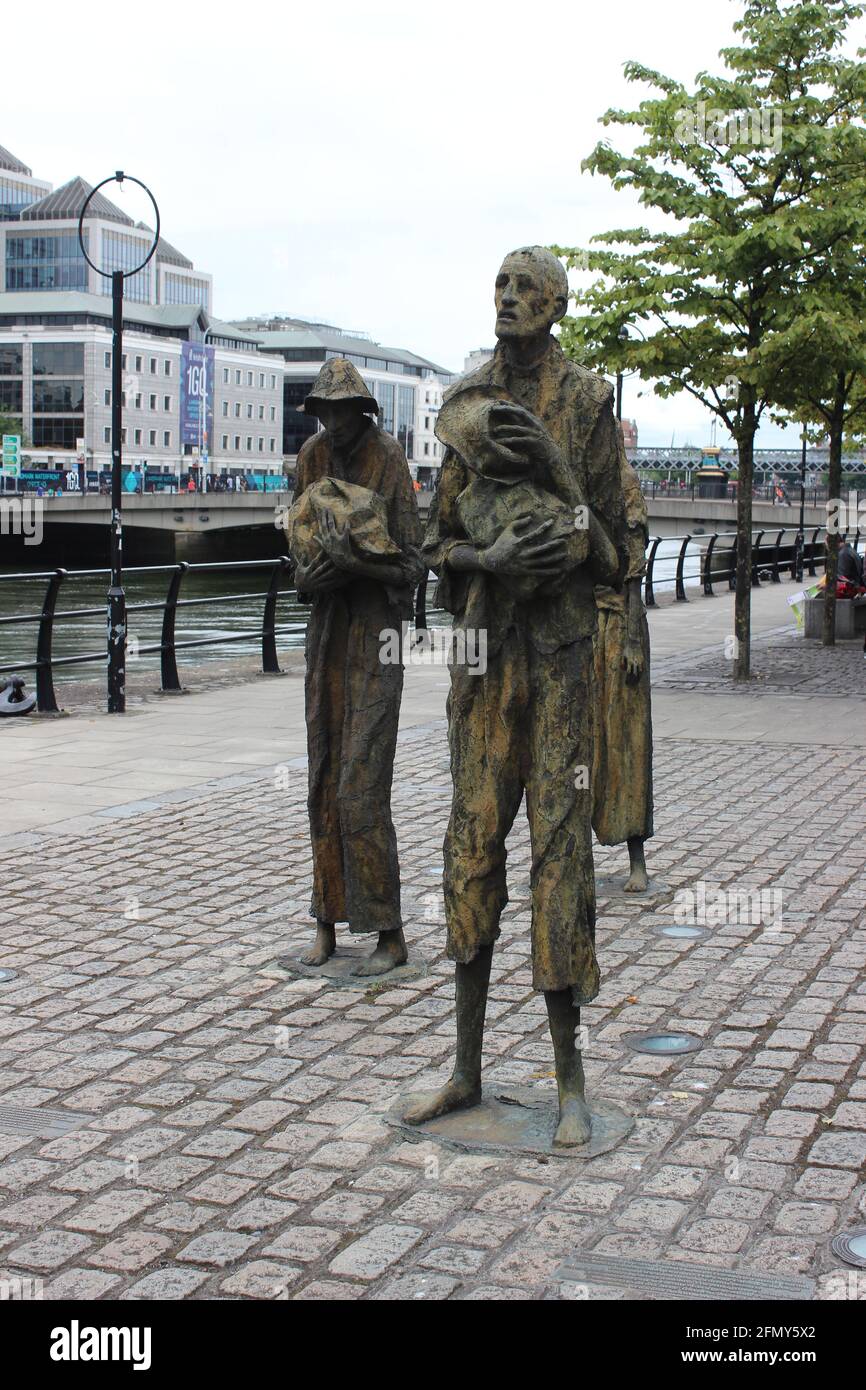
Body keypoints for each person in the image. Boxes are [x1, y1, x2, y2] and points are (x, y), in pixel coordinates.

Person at [406, 246, 625, 1147]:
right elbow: (431, 544)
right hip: (485, 661)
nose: (507, 298)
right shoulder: (466, 405)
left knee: (561, 856)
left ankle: (570, 1084)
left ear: (557, 304)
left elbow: (619, 551)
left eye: (525, 288)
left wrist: (560, 481)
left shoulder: (588, 402)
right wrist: (486, 559)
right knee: (471, 845)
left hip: (563, 661)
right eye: (500, 284)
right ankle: (465, 1070)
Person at [287, 358, 424, 977]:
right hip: (327, 638)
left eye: (344, 411)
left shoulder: (388, 458)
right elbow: (298, 553)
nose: (334, 423)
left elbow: (413, 564)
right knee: (323, 780)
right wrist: (309, 578)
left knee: (361, 788)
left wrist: (359, 564)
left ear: (361, 410)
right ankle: (326, 919)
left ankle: (389, 933)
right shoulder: (311, 458)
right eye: (326, 412)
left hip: (376, 639)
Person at [592, 458, 653, 891]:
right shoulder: (578, 471)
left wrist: (631, 639)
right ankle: (573, 855)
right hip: (580, 625)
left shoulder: (622, 479)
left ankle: (637, 857)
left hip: (618, 627)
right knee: (580, 744)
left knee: (627, 741)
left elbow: (633, 567)